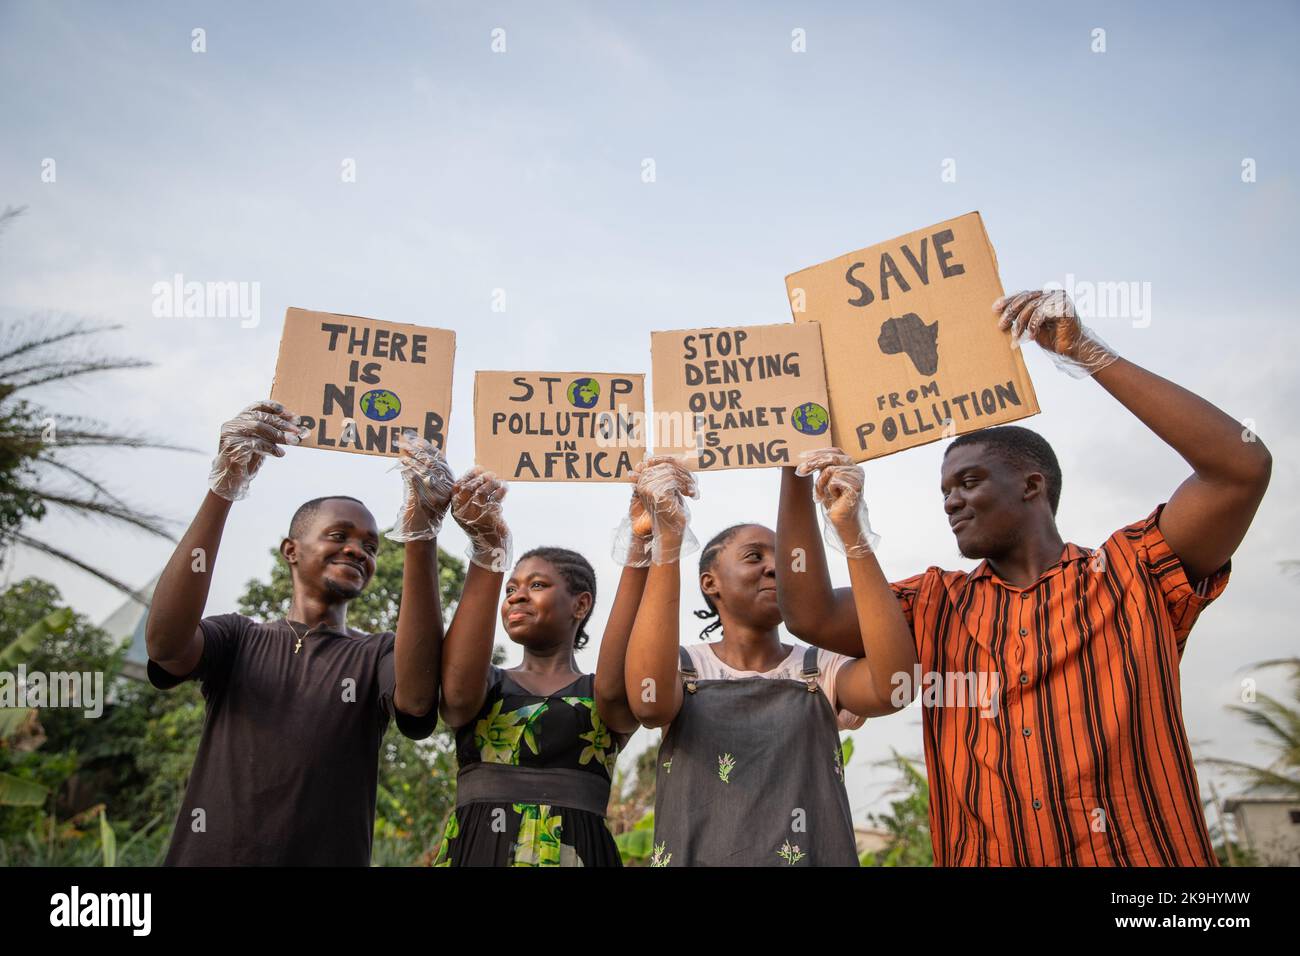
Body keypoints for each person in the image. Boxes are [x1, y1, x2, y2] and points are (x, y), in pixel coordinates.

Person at [777, 289, 1272, 866]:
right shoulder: (934, 601)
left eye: (968, 483)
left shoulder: (1133, 574)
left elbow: (1241, 467)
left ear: (1032, 486)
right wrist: (795, 460)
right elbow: (808, 614)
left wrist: (1085, 351)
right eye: (944, 492)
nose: (950, 503)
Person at [145, 401, 451, 865]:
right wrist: (223, 487)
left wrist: (421, 533)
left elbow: (416, 698)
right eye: (339, 536)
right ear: (291, 550)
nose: (357, 550)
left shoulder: (378, 655)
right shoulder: (237, 638)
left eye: (370, 545)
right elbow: (165, 644)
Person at [623, 457, 917, 866]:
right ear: (710, 583)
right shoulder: (683, 669)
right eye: (753, 556)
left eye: (781, 558)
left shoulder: (822, 669)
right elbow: (648, 703)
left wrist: (852, 533)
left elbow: (895, 688)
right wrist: (667, 541)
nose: (775, 567)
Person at [432, 462, 654, 866]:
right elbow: (457, 694)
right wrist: (489, 548)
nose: (516, 596)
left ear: (580, 604)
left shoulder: (603, 692)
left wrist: (641, 544)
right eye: (512, 588)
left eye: (536, 585)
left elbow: (617, 681)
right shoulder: (485, 685)